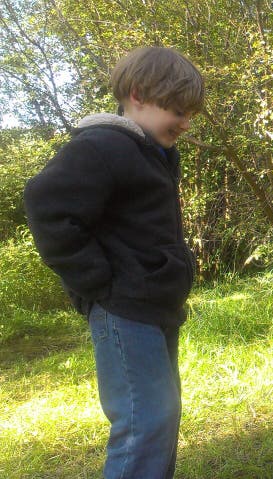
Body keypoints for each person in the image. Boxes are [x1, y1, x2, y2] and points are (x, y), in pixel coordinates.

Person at [23, 46, 204, 479]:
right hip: (123, 307)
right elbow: (47, 206)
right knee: (144, 421)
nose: (185, 122)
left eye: (190, 113)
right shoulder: (102, 145)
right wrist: (98, 280)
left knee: (161, 416)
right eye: (177, 110)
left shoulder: (151, 153)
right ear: (138, 94)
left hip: (155, 306)